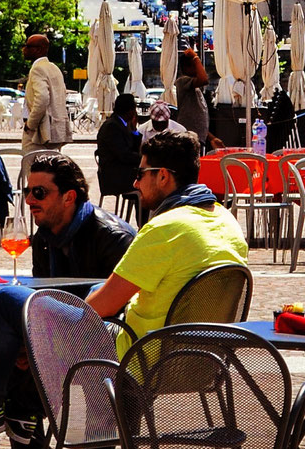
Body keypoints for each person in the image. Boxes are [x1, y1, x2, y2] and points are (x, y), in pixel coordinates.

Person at [0, 154, 138, 449]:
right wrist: (32, 340)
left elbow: (123, 306)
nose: (29, 200)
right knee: (12, 337)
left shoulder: (112, 236)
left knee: (10, 300)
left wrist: (44, 337)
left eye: (40, 192)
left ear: (69, 196)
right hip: (65, 328)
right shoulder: (44, 235)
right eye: (27, 191)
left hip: (109, 336)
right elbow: (43, 295)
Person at [85, 131, 248, 351]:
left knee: (38, 309)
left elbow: (98, 307)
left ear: (162, 176)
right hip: (205, 360)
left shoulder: (164, 229)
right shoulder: (228, 221)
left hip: (141, 358)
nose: (135, 183)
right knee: (95, 288)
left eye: (140, 173)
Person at [21, 33, 69, 158]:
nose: (24, 49)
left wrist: (30, 124)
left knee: (33, 171)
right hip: (55, 132)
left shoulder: (38, 69)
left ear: (39, 49)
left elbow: (42, 99)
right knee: (51, 172)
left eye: (28, 46)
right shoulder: (54, 68)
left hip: (39, 134)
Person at [95, 95, 143, 203]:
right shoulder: (112, 127)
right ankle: (143, 219)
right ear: (131, 111)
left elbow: (132, 150)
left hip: (121, 172)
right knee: (147, 185)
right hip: (115, 177)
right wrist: (145, 159)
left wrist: (134, 130)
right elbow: (125, 155)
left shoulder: (121, 124)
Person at [173, 45, 210, 149]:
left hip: (198, 136)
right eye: (196, 66)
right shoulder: (183, 81)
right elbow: (204, 80)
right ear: (187, 67)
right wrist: (196, 58)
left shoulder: (194, 86)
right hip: (188, 136)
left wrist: (211, 137)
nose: (199, 69)